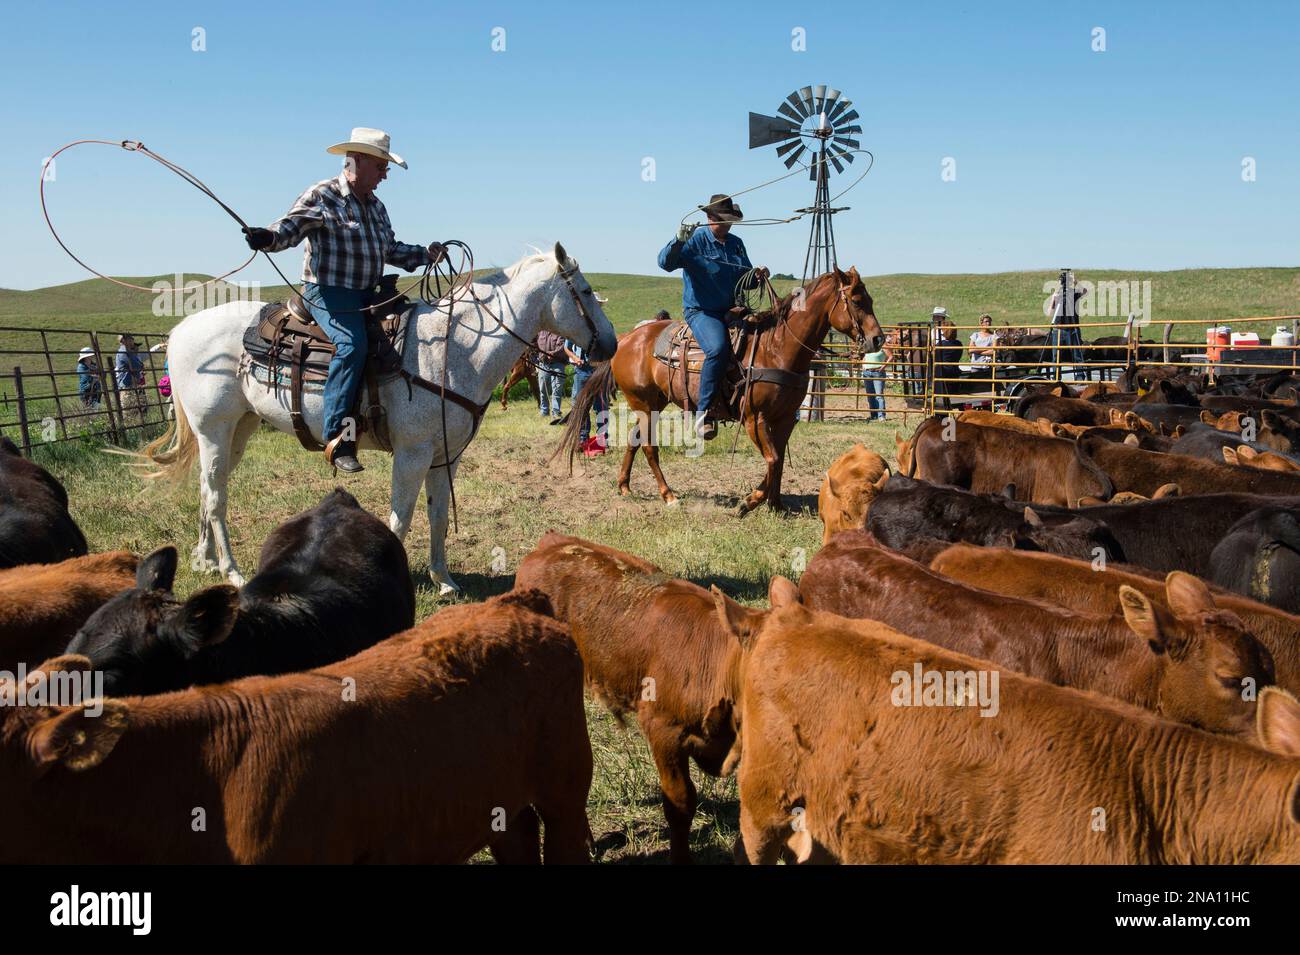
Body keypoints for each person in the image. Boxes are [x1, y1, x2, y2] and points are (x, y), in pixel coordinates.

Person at [240, 127, 447, 473]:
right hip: (328, 291)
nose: (385, 176)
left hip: (369, 292)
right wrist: (269, 237)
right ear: (360, 161)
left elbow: (390, 249)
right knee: (352, 346)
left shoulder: (378, 208)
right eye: (381, 167)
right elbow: (290, 228)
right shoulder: (323, 195)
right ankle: (337, 434)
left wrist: (425, 254)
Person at [658, 194, 770, 441]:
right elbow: (665, 263)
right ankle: (704, 413)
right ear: (710, 218)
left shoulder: (736, 244)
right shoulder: (694, 241)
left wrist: (758, 275)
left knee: (763, 340)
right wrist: (677, 240)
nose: (729, 225)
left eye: (731, 220)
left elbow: (745, 279)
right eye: (724, 220)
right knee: (718, 349)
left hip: (732, 310)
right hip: (702, 311)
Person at [566, 297, 610, 454]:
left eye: (597, 305)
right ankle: (583, 439)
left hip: (599, 370)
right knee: (582, 406)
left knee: (602, 406)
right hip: (582, 369)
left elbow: (612, 346)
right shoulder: (577, 326)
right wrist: (575, 358)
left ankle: (603, 440)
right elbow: (567, 347)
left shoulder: (605, 326)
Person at [536, 330, 568, 421]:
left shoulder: (559, 332)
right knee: (543, 389)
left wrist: (553, 353)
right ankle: (544, 411)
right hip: (543, 364)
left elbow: (562, 346)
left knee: (557, 389)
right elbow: (534, 343)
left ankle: (556, 412)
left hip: (558, 363)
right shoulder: (540, 332)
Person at [934, 320, 963, 411]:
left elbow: (935, 357)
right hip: (955, 371)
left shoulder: (941, 345)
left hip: (944, 373)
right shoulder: (958, 344)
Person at [860, 338, 891, 421]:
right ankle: (873, 415)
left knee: (879, 395)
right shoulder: (868, 346)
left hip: (878, 372)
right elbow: (864, 357)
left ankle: (881, 416)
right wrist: (863, 366)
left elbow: (891, 357)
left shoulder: (882, 345)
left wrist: (883, 367)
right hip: (867, 372)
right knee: (870, 395)